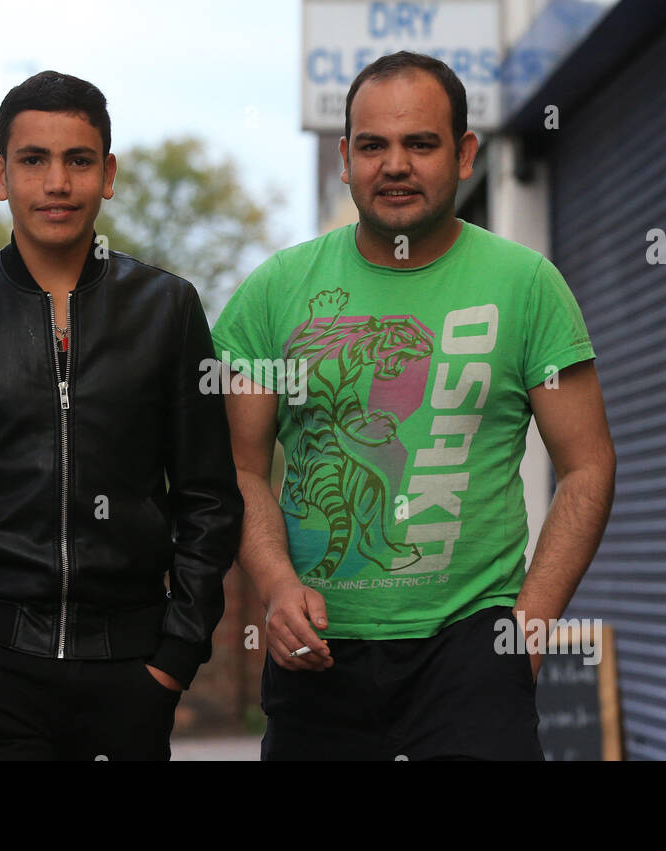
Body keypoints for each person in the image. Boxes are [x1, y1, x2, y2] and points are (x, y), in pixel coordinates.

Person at [211, 51, 616, 760]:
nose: (394, 163)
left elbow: (587, 466)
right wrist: (276, 587)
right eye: (373, 145)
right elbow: (239, 469)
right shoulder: (274, 293)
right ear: (344, 158)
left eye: (419, 143)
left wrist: (527, 628)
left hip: (471, 646)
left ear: (464, 154)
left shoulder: (526, 285)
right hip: (318, 649)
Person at [0, 71, 243, 760]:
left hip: (130, 671)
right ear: (2, 175)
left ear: (108, 173)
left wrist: (175, 655)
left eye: (78, 160)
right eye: (34, 160)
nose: (56, 182)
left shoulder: (167, 310)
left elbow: (208, 499)